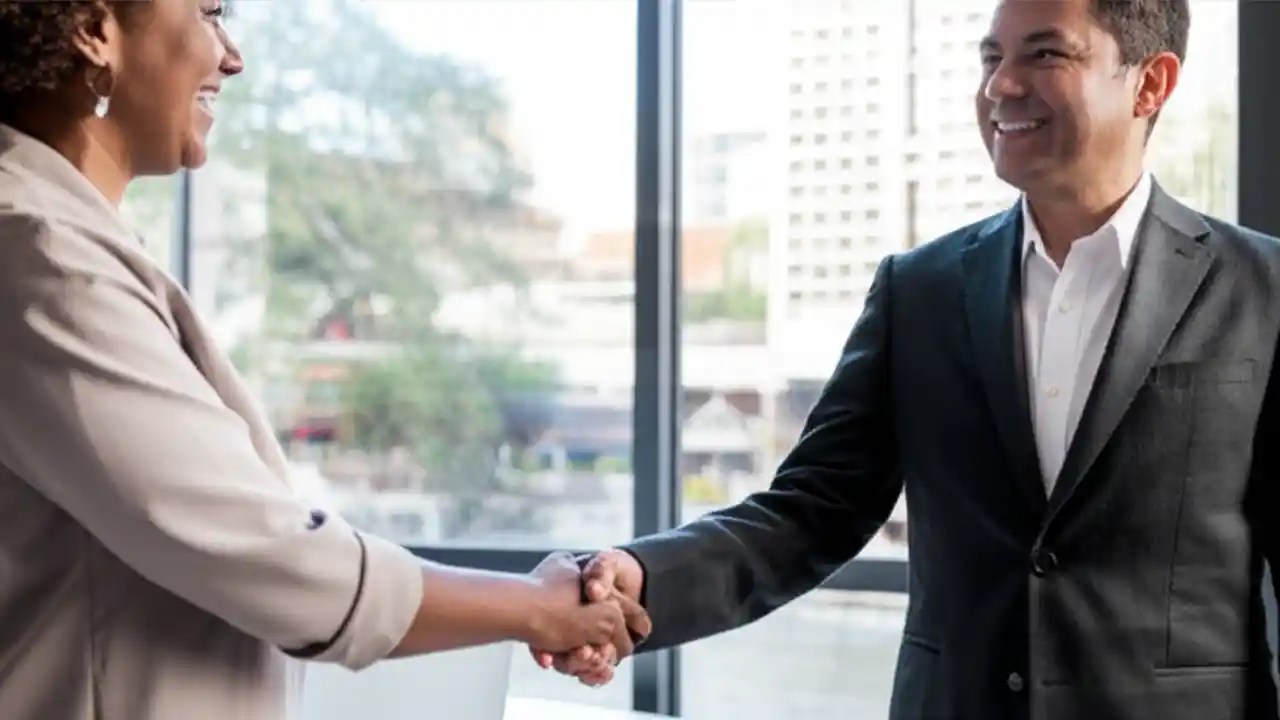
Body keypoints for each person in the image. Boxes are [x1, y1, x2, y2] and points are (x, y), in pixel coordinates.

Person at [540, 0, 1280, 717]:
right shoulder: (918, 292)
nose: (1001, 85)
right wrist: (641, 577)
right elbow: (812, 512)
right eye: (991, 57)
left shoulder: (1263, 291)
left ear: (1151, 81)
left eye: (1045, 52)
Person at [0, 2, 648, 718]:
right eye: (210, 12)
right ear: (95, 29)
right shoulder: (39, 257)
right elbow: (269, 557)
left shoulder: (65, 240)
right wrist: (533, 606)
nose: (231, 55)